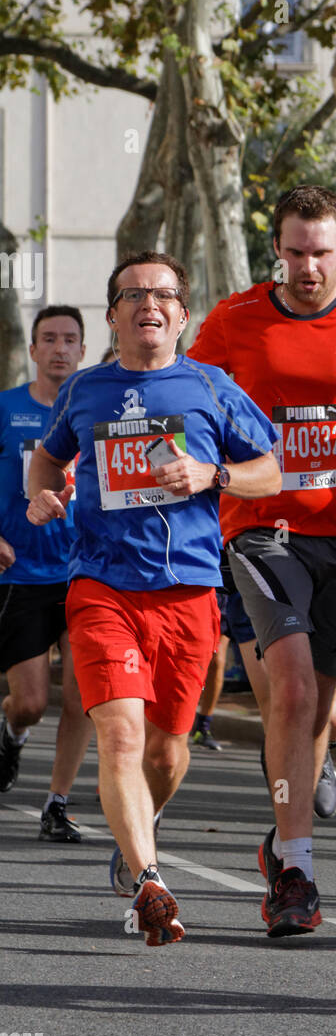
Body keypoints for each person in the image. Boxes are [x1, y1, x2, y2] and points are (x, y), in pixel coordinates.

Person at [189, 185, 336, 937]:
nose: (306, 266)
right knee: (290, 684)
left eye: (319, 252)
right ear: (278, 251)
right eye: (293, 252)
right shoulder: (233, 321)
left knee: (323, 706)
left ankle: (282, 829)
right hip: (261, 529)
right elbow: (186, 400)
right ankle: (297, 873)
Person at [27, 252, 280, 947]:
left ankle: (140, 825)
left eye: (164, 294)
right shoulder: (84, 390)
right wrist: (38, 494)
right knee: (120, 733)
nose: (150, 303)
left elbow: (273, 469)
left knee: (166, 754)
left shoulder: (211, 385)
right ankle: (149, 880)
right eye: (133, 294)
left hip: (190, 590)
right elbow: (47, 456)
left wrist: (213, 472)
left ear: (182, 314)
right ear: (112, 316)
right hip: (101, 587)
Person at [0, 305, 92, 840]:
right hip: (21, 574)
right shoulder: (6, 408)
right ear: (33, 350)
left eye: (70, 339)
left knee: (82, 697)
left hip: (86, 570)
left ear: (82, 349)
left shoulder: (93, 407)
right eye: (49, 339)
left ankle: (57, 803)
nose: (60, 348)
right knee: (32, 702)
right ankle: (12, 732)